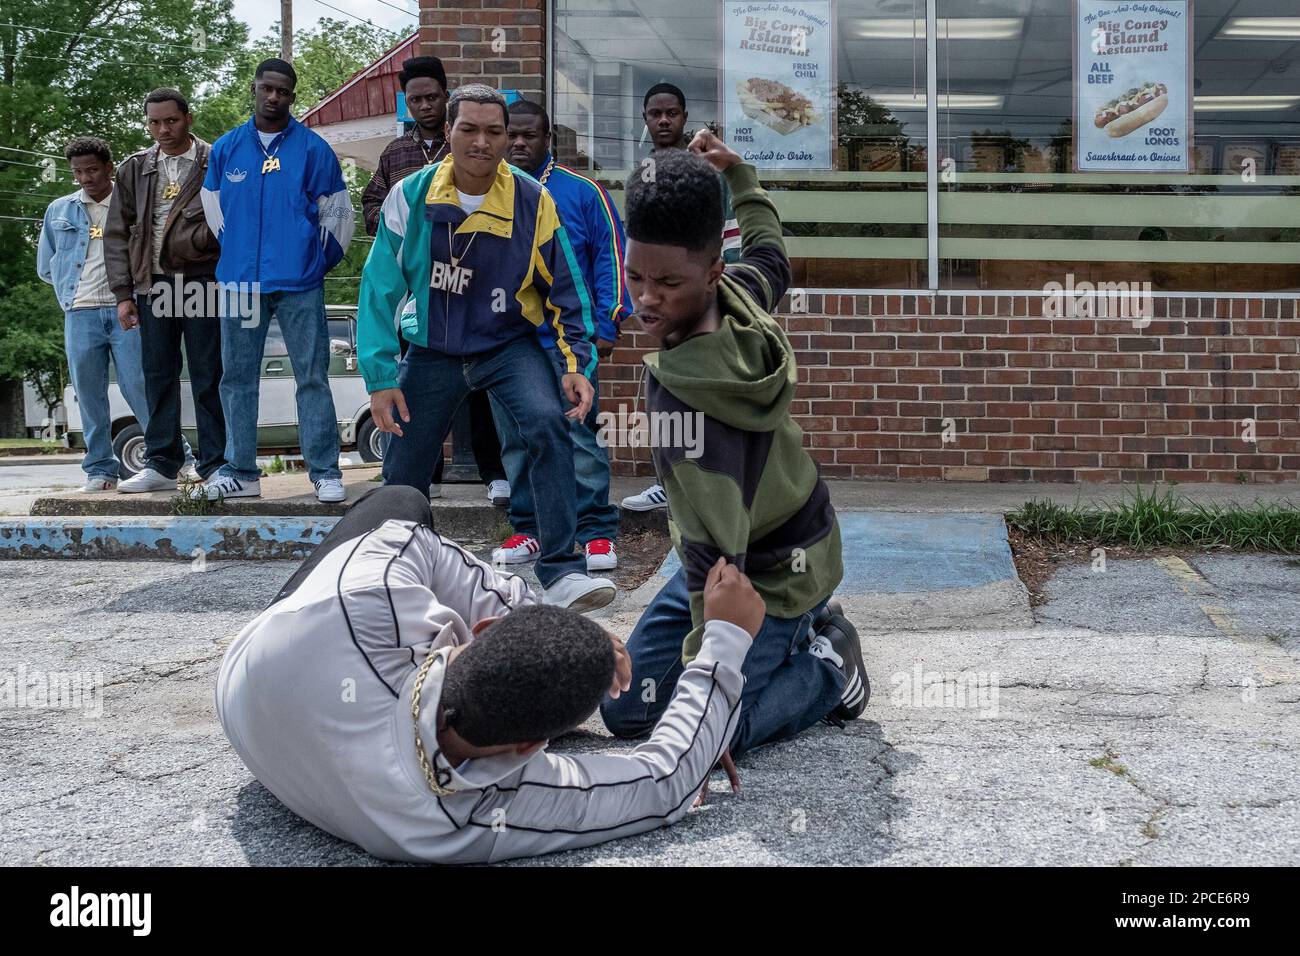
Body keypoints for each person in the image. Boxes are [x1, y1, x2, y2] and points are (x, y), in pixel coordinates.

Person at [216, 483, 761, 864]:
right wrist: (726, 641)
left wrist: (543, 638)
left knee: (400, 501)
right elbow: (664, 784)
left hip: (258, 668)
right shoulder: (470, 820)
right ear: (533, 748)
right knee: (404, 509)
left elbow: (416, 541)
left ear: (480, 631)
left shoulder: (373, 592)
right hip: (259, 698)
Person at [600, 134, 870, 768]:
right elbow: (770, 252)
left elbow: (715, 567)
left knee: (715, 732)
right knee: (627, 709)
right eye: (635, 274)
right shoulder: (741, 297)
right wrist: (741, 177)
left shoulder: (685, 409)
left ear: (709, 271)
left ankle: (830, 661)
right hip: (751, 545)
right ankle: (796, 638)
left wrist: (705, 698)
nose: (645, 298)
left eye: (666, 282)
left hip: (766, 575)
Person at [356, 84, 613, 611]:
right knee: (405, 459)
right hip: (432, 349)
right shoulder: (410, 195)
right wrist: (380, 377)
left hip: (506, 345)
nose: (482, 141)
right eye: (468, 129)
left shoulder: (533, 199)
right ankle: (389, 570)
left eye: (493, 131)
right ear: (446, 132)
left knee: (550, 424)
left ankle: (562, 572)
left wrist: (573, 364)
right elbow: (379, 290)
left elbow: (565, 290)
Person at [198, 58, 355, 503]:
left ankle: (324, 470)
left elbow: (339, 214)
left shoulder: (313, 149)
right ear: (254, 88)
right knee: (237, 377)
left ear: (292, 95)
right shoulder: (227, 148)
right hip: (241, 284)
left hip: (300, 282)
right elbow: (216, 213)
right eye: (267, 88)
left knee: (311, 376)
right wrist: (242, 254)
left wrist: (311, 261)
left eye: (283, 91)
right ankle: (241, 471)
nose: (274, 97)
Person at [360, 56, 508, 505]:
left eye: (432, 96)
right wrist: (405, 235)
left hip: (488, 312)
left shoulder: (498, 172)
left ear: (445, 99)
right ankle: (411, 496)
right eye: (416, 99)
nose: (425, 105)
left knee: (497, 401)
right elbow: (376, 215)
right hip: (424, 307)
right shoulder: (397, 157)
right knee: (413, 410)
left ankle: (496, 474)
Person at [490, 98, 630, 572]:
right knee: (517, 434)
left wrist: (607, 322)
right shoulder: (487, 192)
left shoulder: (583, 192)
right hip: (507, 339)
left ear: (549, 139)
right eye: (513, 135)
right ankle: (529, 528)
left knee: (578, 431)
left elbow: (611, 257)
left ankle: (595, 533)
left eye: (531, 135)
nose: (520, 143)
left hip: (568, 338)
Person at [622, 82, 741, 514]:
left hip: (706, 300)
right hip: (662, 303)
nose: (664, 120)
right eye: (655, 114)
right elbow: (633, 243)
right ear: (645, 119)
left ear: (685, 116)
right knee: (669, 393)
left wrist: (727, 290)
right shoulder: (642, 173)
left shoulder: (707, 173)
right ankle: (668, 483)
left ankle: (716, 486)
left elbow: (730, 234)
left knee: (712, 392)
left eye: (672, 113)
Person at [105, 88, 226, 493]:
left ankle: (215, 464)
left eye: (170, 121)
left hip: (204, 278)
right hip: (152, 283)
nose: (163, 130)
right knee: (157, 373)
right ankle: (162, 462)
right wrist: (123, 293)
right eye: (154, 122)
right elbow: (117, 233)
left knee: (209, 372)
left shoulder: (216, 160)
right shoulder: (134, 168)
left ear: (188, 118)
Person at [37, 137, 152, 492]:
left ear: (108, 168)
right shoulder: (59, 210)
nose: (85, 178)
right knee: (89, 393)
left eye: (91, 170)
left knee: (142, 386)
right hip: (81, 312)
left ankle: (173, 458)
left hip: (127, 309)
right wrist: (70, 295)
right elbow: (46, 265)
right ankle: (101, 468)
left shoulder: (130, 205)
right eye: (78, 172)